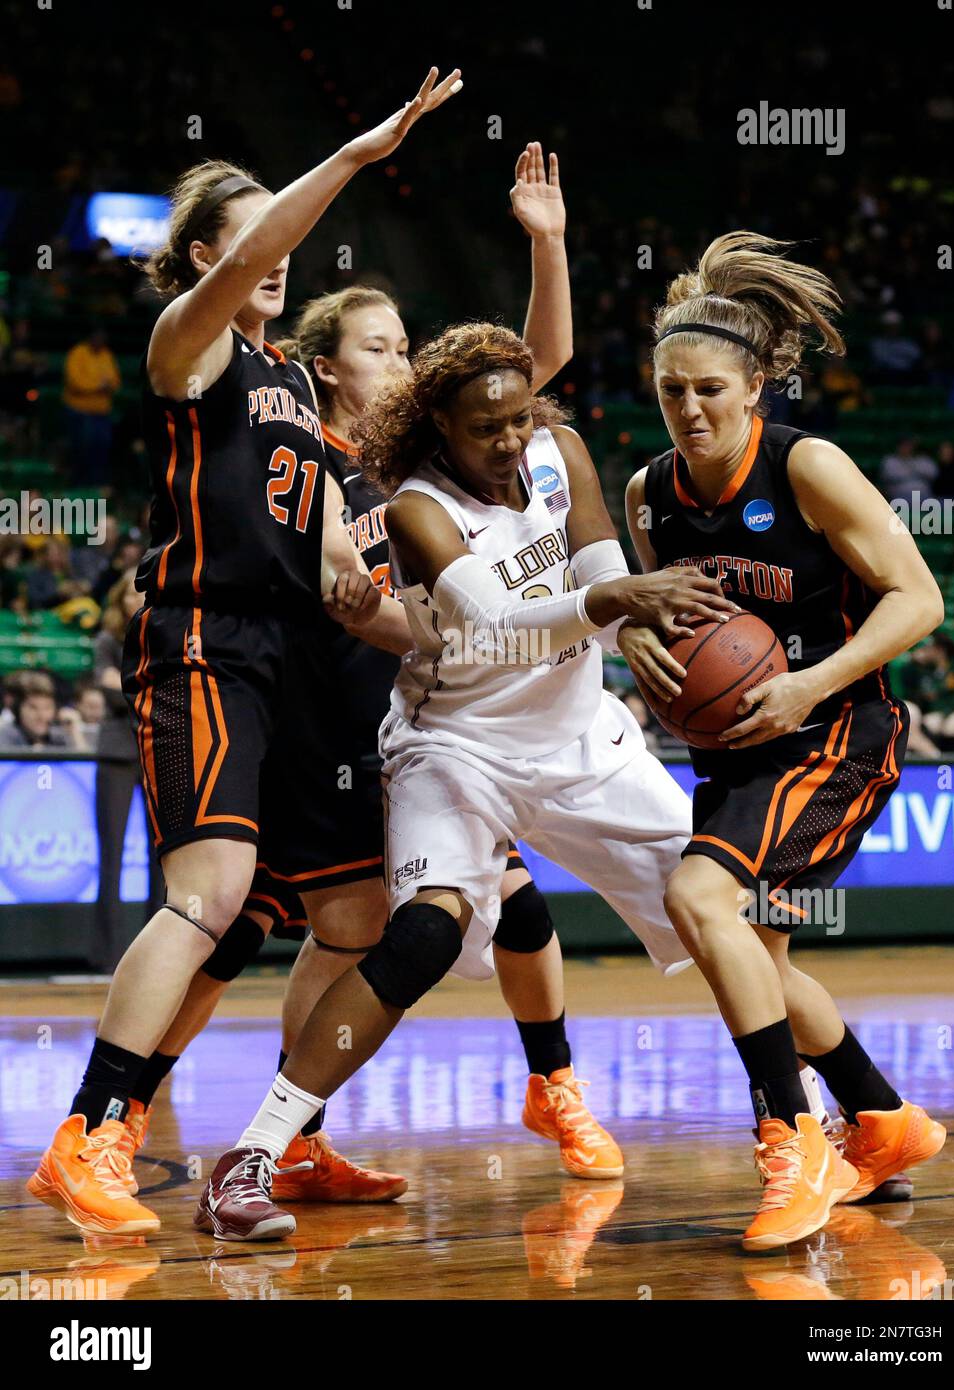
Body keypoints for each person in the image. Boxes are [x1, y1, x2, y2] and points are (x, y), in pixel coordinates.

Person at [123, 147, 626, 1194]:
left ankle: (548, 1087)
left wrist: (545, 242)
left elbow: (534, 366)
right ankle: (126, 1118)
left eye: (406, 347)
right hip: (294, 710)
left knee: (495, 908)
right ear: (327, 362)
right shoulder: (288, 415)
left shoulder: (414, 463)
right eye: (383, 348)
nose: (404, 364)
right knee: (234, 932)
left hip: (401, 716)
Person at [27, 65, 463, 1239]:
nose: (276, 253)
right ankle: (91, 1134)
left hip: (290, 666)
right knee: (209, 895)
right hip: (204, 641)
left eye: (280, 233)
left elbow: (342, 568)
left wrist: (454, 629)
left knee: (358, 919)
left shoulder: (289, 383)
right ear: (207, 255)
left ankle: (295, 1140)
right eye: (250, 233)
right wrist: (356, 159)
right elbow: (236, 271)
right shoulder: (192, 347)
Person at [196, 320, 739, 1241]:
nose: (508, 438)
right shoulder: (413, 502)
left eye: (518, 418)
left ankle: (818, 1114)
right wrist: (612, 604)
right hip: (456, 743)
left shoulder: (560, 450)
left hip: (579, 741)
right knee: (422, 934)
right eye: (485, 426)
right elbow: (494, 628)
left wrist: (637, 629)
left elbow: (602, 578)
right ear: (439, 427)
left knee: (731, 909)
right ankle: (255, 1151)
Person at [622, 232, 946, 1251]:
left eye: (710, 388)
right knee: (751, 956)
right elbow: (657, 613)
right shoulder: (648, 496)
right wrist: (634, 628)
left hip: (836, 727)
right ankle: (884, 1122)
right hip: (735, 751)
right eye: (671, 390)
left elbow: (920, 599)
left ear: (755, 381)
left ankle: (791, 1136)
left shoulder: (805, 463)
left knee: (695, 898)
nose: (690, 409)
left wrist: (808, 678)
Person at [91, 568, 165, 973]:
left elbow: (124, 688)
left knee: (162, 857)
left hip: (155, 749)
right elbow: (112, 690)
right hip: (118, 755)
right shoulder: (107, 641)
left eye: (143, 594)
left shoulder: (164, 637)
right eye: (129, 595)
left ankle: (156, 956)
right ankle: (105, 957)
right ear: (118, 601)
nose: (136, 601)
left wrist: (128, 687)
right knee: (111, 855)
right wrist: (145, 687)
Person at [62, 325, 121, 485]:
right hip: (80, 411)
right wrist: (98, 386)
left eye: (103, 337)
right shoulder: (78, 353)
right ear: (91, 337)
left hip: (101, 413)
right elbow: (76, 382)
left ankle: (97, 484)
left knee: (102, 448)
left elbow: (115, 381)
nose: (100, 340)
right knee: (82, 448)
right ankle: (78, 483)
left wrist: (105, 385)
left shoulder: (106, 355)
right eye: (97, 336)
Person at [0, 670, 72, 749]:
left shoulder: (60, 737)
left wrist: (75, 734)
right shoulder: (4, 737)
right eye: (33, 708)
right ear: (17, 709)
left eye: (47, 708)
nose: (41, 715)